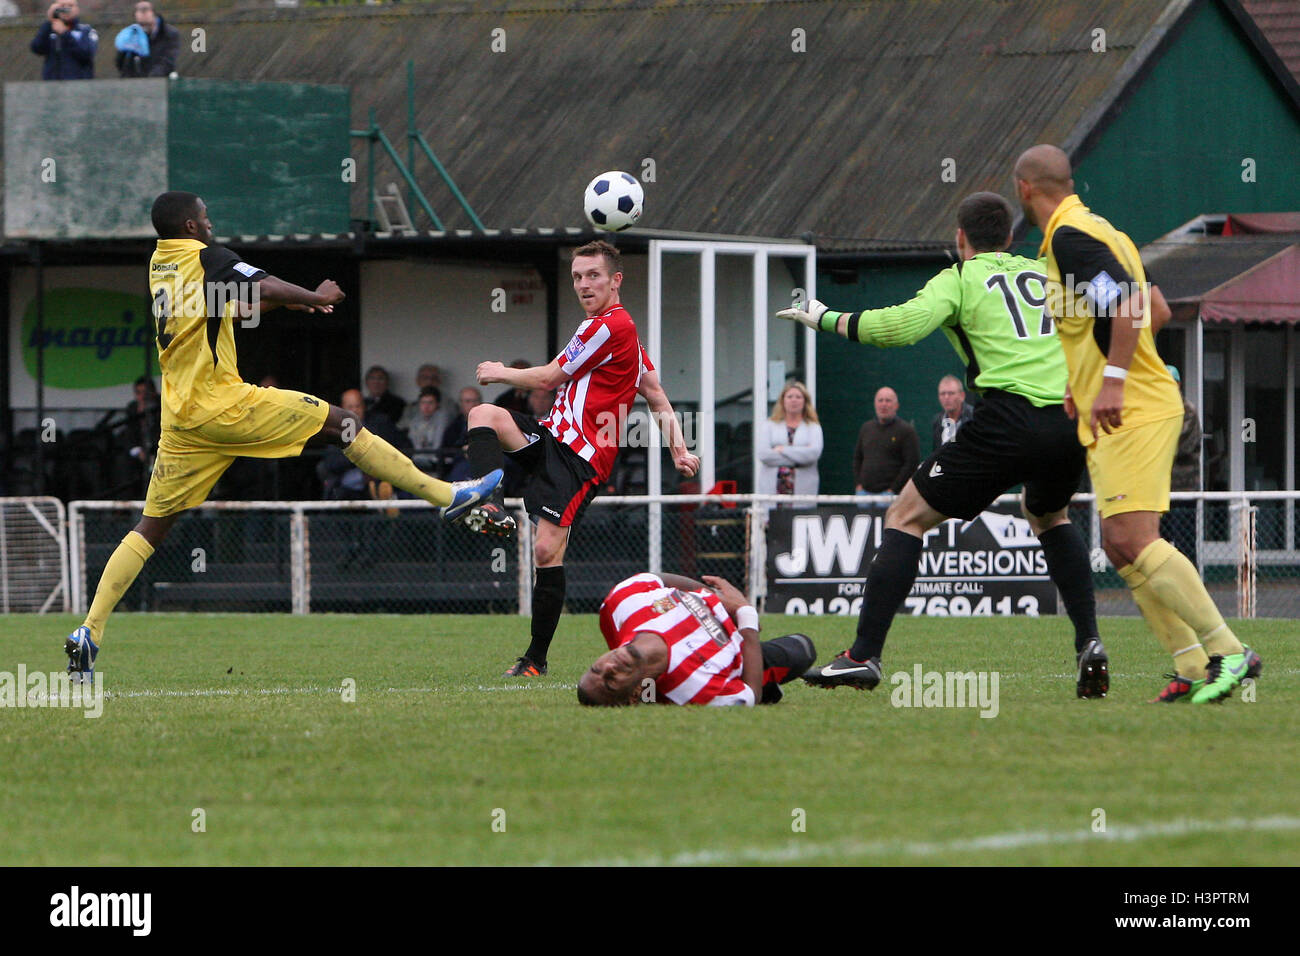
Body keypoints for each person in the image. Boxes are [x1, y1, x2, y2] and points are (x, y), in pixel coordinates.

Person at [62, 191, 503, 682]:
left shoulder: (160, 265)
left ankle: (89, 631)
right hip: (224, 405)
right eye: (206, 218)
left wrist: (292, 307)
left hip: (181, 422)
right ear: (190, 225)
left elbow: (234, 306)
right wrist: (314, 296)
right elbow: (262, 283)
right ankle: (447, 496)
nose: (212, 225)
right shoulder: (206, 256)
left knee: (152, 527)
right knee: (344, 423)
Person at [779, 191, 1109, 697]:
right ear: (1009, 236)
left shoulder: (960, 277)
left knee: (905, 516)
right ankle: (1089, 641)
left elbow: (898, 327)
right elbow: (1095, 324)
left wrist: (825, 316)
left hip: (1007, 418)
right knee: (1049, 516)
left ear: (960, 238)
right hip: (1068, 419)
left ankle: (862, 656)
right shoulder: (1044, 272)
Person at [1013, 144, 1261, 703]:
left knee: (1131, 538)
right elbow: (1159, 308)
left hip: (1134, 406)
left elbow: (1126, 305)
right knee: (1120, 544)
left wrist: (1115, 379)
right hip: (1123, 403)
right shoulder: (1106, 231)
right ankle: (1193, 667)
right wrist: (1088, 379)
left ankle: (1228, 651)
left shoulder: (1069, 239)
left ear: (1025, 188)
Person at [463, 239, 700, 677]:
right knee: (482, 415)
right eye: (577, 276)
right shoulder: (613, 332)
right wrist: (680, 449)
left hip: (579, 460)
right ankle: (487, 502)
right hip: (551, 438)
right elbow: (655, 394)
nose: (584, 284)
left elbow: (552, 376)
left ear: (616, 280)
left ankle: (534, 660)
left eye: (593, 275)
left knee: (545, 550)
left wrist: (501, 372)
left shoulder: (612, 326)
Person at [578, 572, 816, 706]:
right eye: (610, 682)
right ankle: (767, 675)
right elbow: (750, 694)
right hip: (739, 649)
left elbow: (657, 579)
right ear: (634, 694)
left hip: (723, 610)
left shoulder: (619, 607)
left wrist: (716, 595)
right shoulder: (694, 688)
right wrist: (745, 614)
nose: (609, 668)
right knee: (802, 649)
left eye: (596, 668)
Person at [1161, 365, 1201, 567]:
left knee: (1184, 545)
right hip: (1159, 491)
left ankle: (1191, 589)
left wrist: (1156, 447)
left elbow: (1181, 446)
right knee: (1160, 546)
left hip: (1184, 489)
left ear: (1179, 384)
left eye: (1171, 383)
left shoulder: (1188, 412)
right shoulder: (1156, 411)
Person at [758, 380, 823, 503]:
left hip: (803, 490)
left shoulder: (813, 427)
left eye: (798, 397)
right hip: (773, 488)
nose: (794, 400)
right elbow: (764, 454)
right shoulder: (769, 425)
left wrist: (783, 449)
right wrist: (800, 457)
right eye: (790, 397)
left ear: (805, 401)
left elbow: (813, 454)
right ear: (783, 401)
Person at [853, 387, 918, 495]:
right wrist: (858, 485)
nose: (884, 404)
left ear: (896, 406)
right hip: (863, 495)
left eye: (888, 401)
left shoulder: (906, 431)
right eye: (880, 400)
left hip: (890, 497)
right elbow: (857, 458)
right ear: (875, 404)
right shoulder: (866, 428)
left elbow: (911, 464)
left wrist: (892, 490)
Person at [31, 1, 98, 80]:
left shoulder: (86, 30)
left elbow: (87, 53)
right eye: (62, 6)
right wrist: (50, 22)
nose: (66, 9)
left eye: (70, 6)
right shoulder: (48, 29)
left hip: (79, 83)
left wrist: (65, 33)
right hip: (52, 84)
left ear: (77, 9)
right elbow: (37, 48)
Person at [115, 1, 179, 78]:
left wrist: (151, 79)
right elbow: (121, 64)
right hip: (133, 83)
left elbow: (168, 60)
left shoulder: (168, 33)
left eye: (146, 9)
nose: (143, 13)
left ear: (153, 12)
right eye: (139, 10)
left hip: (160, 82)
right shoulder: (131, 34)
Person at [440, 386, 483, 481]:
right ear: (461, 404)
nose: (472, 404)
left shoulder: (492, 423)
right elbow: (446, 455)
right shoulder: (453, 428)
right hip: (460, 469)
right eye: (468, 401)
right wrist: (461, 452)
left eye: (475, 401)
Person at [404, 386, 450, 472]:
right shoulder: (415, 420)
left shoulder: (442, 418)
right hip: (418, 459)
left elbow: (437, 444)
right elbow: (415, 444)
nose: (426, 406)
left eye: (430, 403)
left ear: (437, 404)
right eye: (423, 403)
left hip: (436, 460)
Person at [932, 374, 975, 452]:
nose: (946, 397)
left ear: (962, 396)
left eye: (951, 393)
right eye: (942, 394)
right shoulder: (938, 420)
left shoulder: (974, 417)